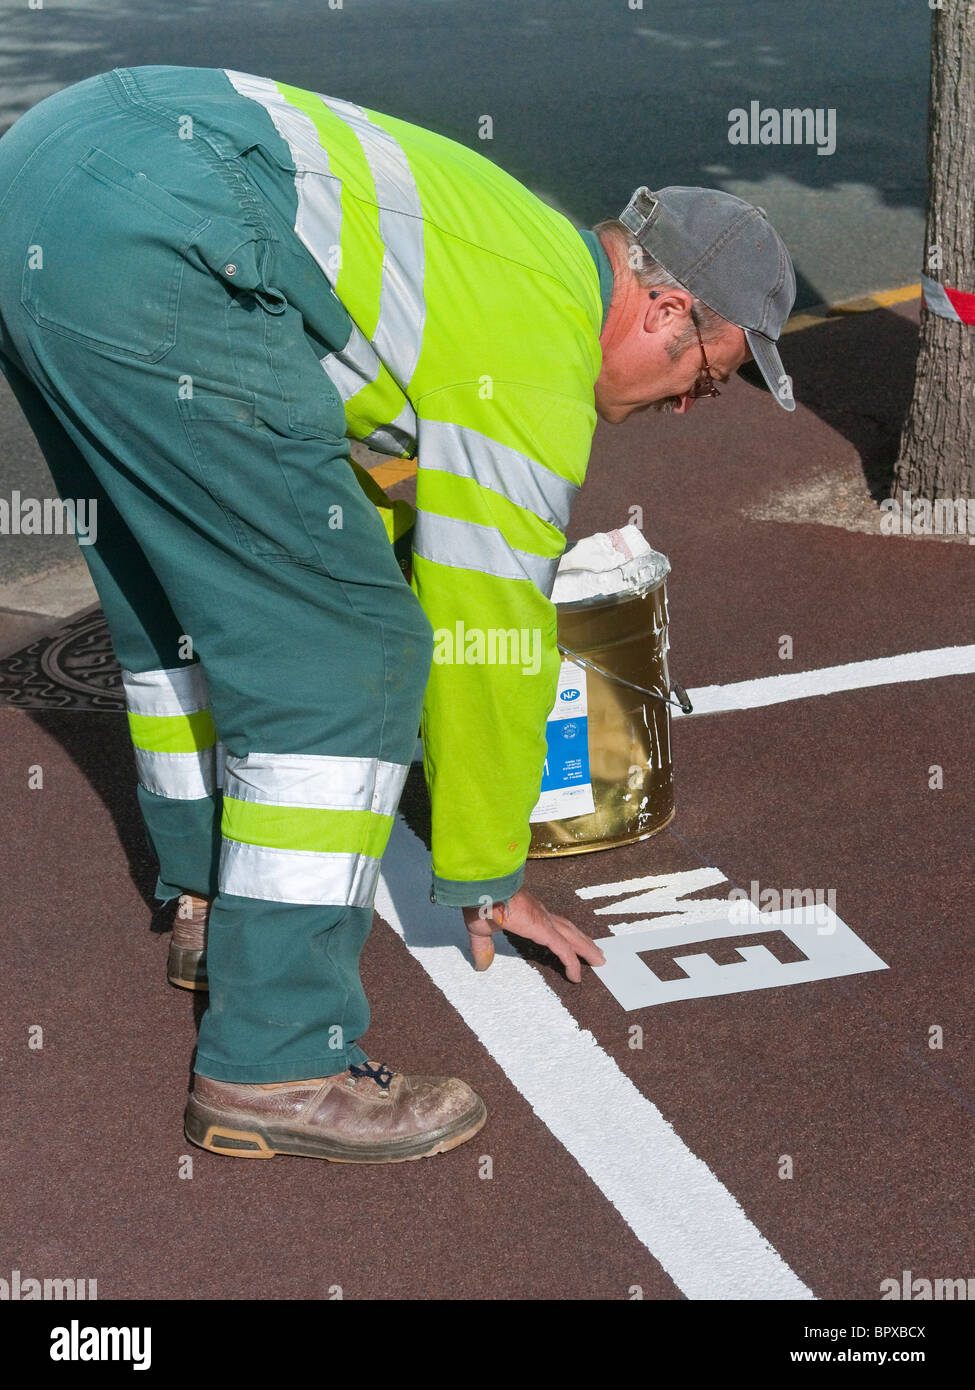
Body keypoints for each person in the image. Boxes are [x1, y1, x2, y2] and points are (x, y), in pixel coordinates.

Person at [0, 66, 796, 1164]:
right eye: (712, 375)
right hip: (160, 230)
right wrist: (486, 868)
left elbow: (356, 472)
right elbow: (492, 627)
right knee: (352, 650)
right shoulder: (537, 354)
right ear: (666, 312)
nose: (691, 407)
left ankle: (208, 902)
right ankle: (279, 1060)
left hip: (44, 183)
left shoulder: (509, 245)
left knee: (168, 585)